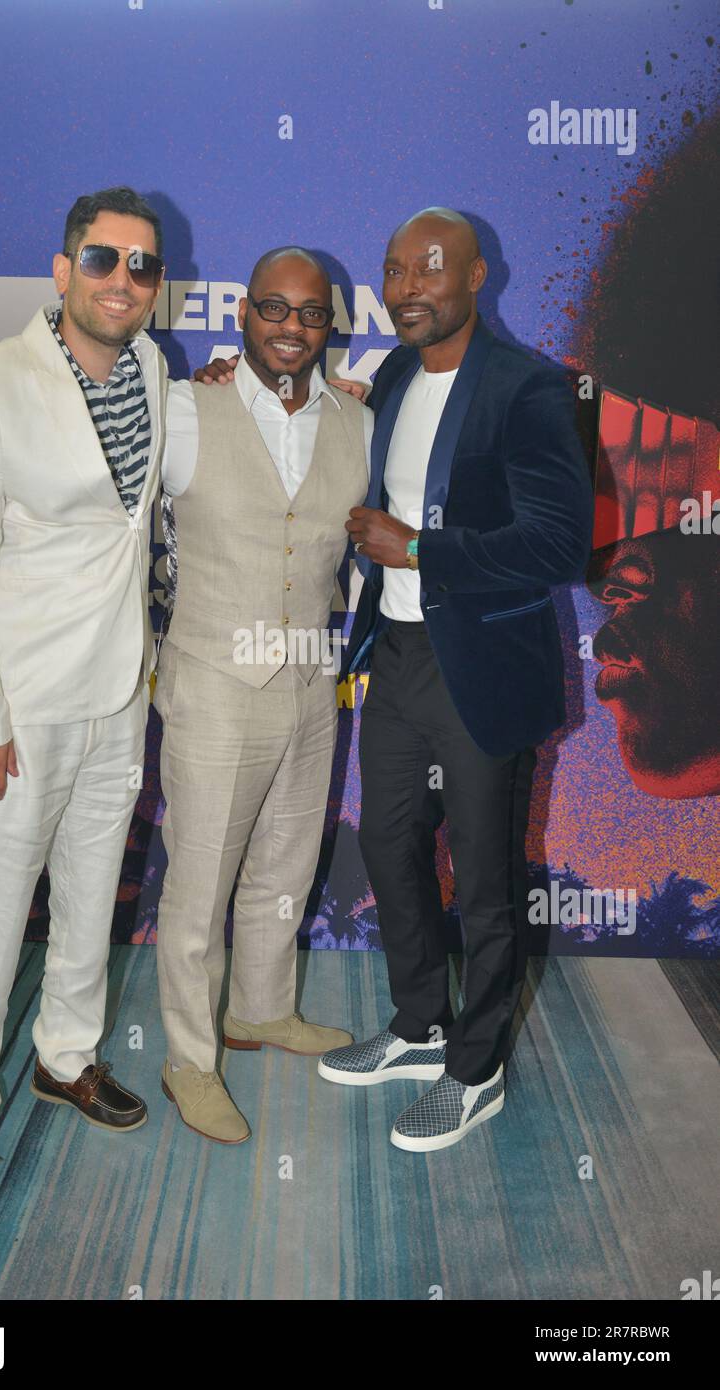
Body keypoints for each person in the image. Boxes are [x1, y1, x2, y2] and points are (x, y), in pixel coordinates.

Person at [316, 208, 594, 1151]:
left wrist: (423, 550)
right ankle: (416, 1025)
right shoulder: (392, 374)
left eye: (428, 270)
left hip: (478, 666)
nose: (405, 289)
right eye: (393, 271)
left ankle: (474, 1073)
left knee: (481, 880)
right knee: (389, 848)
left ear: (477, 276)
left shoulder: (528, 389)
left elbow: (558, 543)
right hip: (393, 656)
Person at [0, 186, 168, 1207]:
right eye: (104, 260)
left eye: (145, 265)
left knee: (86, 900)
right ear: (63, 272)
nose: (125, 281)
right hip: (15, 714)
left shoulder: (154, 369)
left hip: (118, 698)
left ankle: (65, 1056)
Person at [154, 247, 372, 1144]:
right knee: (199, 885)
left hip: (310, 684)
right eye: (274, 310)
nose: (291, 327)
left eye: (310, 314)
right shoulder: (183, 408)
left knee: (284, 867)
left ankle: (260, 1010)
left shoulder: (356, 421)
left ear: (331, 323)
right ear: (242, 313)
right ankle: (187, 1061)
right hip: (211, 685)